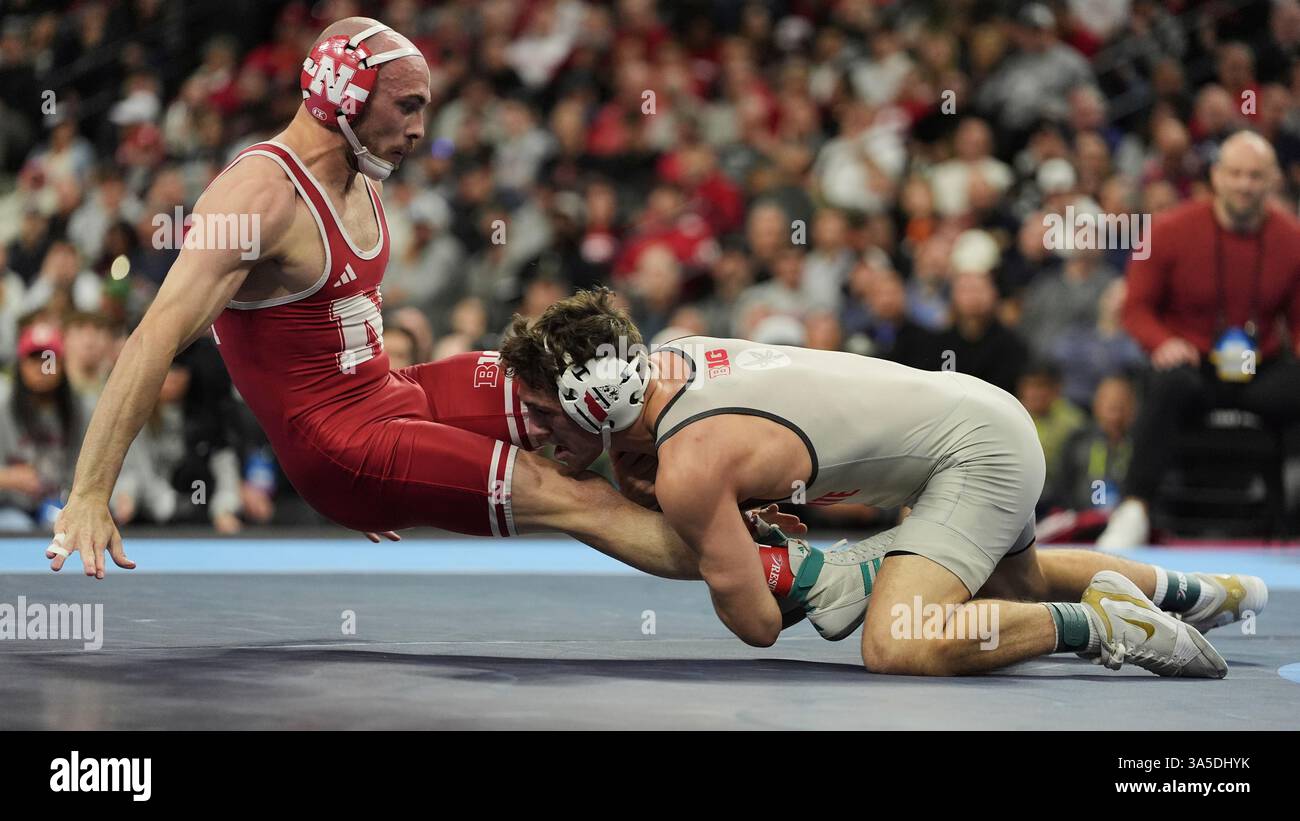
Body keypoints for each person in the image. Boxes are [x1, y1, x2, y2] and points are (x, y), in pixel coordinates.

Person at [45, 17, 747, 588]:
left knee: (583, 385)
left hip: (395, 394)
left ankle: (750, 493)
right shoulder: (258, 198)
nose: (419, 130)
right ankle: (773, 573)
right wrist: (88, 492)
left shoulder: (360, 171)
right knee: (576, 496)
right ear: (346, 99)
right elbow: (152, 339)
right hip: (345, 445)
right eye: (407, 107)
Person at [501, 288, 1268, 678]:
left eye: (541, 410)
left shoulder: (691, 468)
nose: (533, 429)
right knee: (1017, 577)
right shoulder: (682, 352)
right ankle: (1200, 590)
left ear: (594, 401)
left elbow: (760, 627)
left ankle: (1101, 623)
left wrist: (722, 540)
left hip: (974, 458)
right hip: (980, 416)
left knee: (898, 641)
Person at [1098, 131, 1300, 549]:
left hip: (1259, 367)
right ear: (1216, 176)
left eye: (1256, 176)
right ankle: (1134, 509)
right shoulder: (1170, 230)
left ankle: (1289, 517)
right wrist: (1162, 343)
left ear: (1273, 180)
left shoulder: (1292, 238)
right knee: (1170, 382)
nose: (1245, 185)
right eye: (1237, 174)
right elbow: (1135, 308)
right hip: (1192, 364)